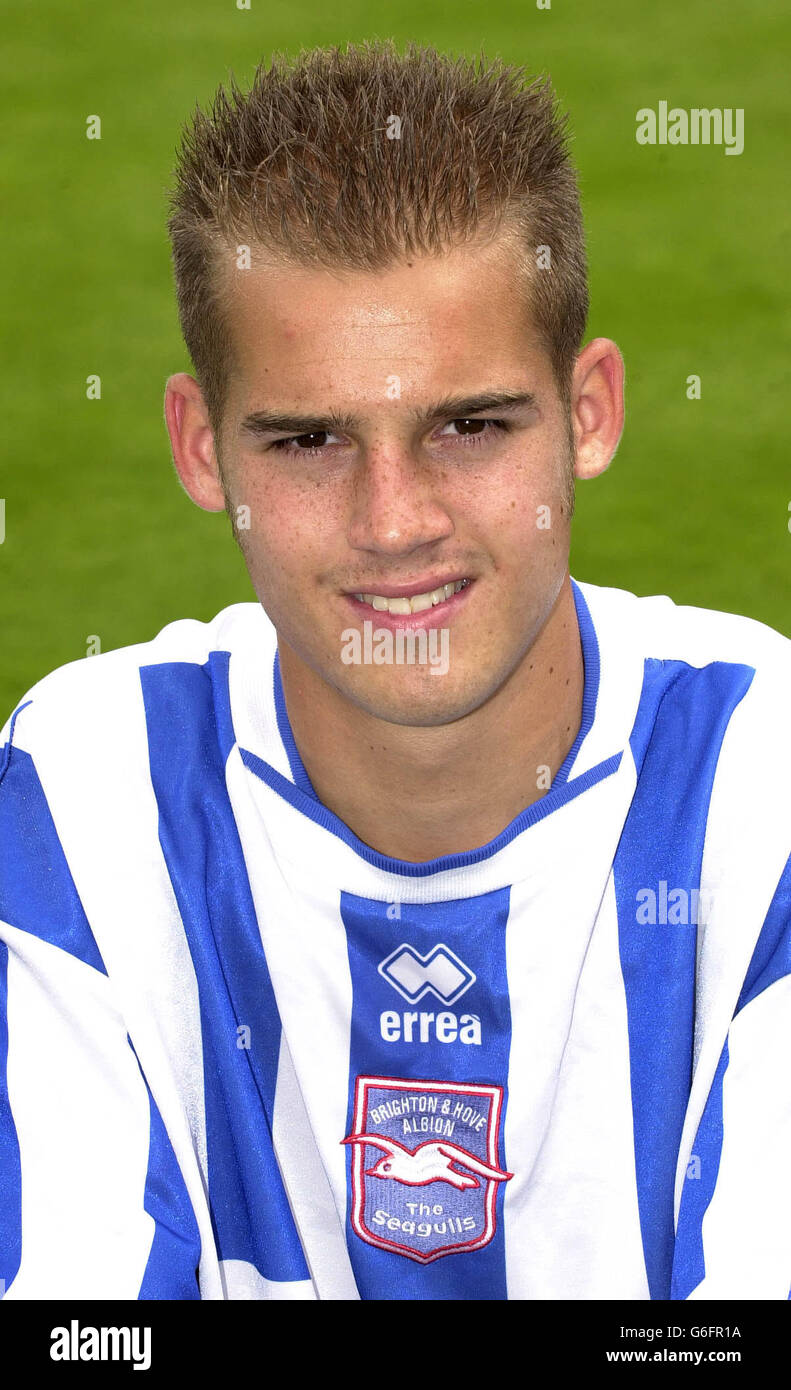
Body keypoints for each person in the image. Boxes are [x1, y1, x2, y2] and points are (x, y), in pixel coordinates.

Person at [1, 40, 789, 1303]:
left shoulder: (764, 790)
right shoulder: (88, 800)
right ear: (202, 449)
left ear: (586, 412)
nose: (392, 520)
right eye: (308, 439)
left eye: (467, 426)